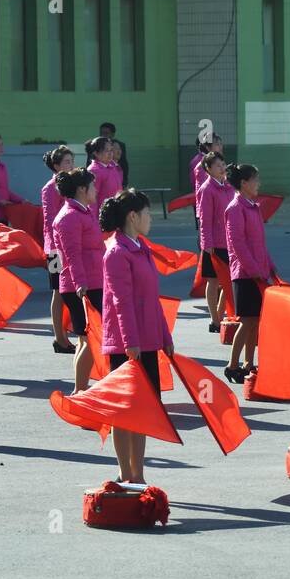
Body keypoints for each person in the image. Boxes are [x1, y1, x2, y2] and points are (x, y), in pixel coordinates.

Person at [98, 189, 173, 485]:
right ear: (133, 216)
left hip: (149, 341)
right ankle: (125, 472)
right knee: (123, 412)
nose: (150, 218)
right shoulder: (116, 252)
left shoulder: (140, 247)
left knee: (142, 410)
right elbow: (121, 301)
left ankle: (138, 474)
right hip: (127, 345)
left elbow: (153, 298)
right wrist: (130, 343)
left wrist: (165, 335)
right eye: (147, 213)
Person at [52, 167, 102, 393]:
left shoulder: (82, 211)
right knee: (90, 340)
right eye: (92, 185)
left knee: (85, 340)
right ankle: (79, 390)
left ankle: (80, 387)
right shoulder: (70, 217)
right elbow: (71, 254)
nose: (95, 189)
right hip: (82, 286)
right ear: (82, 189)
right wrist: (81, 283)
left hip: (89, 282)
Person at [224, 163, 275, 383]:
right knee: (246, 321)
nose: (258, 183)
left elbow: (260, 244)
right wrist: (255, 271)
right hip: (245, 274)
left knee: (255, 321)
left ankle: (248, 363)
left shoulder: (253, 207)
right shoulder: (235, 209)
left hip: (258, 272)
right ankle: (232, 364)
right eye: (255, 179)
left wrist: (270, 266)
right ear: (244, 183)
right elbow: (238, 245)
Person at [41, 145, 77, 354]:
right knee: (58, 291)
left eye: (72, 161)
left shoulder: (71, 185)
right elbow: (49, 222)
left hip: (70, 245)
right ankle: (59, 338)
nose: (71, 166)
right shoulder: (50, 188)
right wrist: (56, 247)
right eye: (66, 162)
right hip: (55, 248)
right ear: (56, 166)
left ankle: (67, 333)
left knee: (69, 290)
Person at [195, 150, 235, 332]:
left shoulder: (228, 187)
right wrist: (207, 243)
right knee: (213, 281)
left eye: (222, 164)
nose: (221, 168)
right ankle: (214, 319)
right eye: (217, 166)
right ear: (208, 169)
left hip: (230, 242)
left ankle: (221, 316)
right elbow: (204, 219)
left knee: (227, 281)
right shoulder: (207, 189)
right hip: (214, 243)